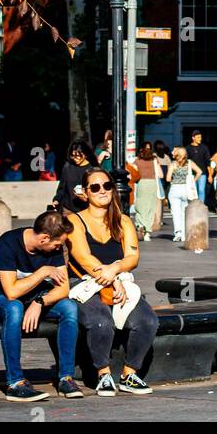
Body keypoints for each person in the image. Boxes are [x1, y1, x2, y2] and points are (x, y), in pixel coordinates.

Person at [0, 209, 82, 401]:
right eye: (57, 244)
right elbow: (11, 292)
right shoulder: (8, 243)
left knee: (69, 308)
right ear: (44, 239)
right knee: (14, 307)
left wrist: (39, 302)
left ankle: (66, 377)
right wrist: (42, 272)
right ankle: (15, 382)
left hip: (32, 296)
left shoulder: (53, 248)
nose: (60, 248)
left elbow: (63, 290)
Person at [67, 167, 159, 395]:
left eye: (107, 186)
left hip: (120, 280)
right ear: (85, 193)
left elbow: (132, 257)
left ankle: (130, 374)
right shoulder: (75, 221)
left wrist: (115, 270)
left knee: (148, 321)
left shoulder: (124, 220)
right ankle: (103, 374)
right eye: (95, 187)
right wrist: (110, 280)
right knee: (101, 322)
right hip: (86, 284)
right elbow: (83, 258)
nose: (102, 191)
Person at [166, 146, 204, 243]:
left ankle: (178, 233)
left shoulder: (173, 164)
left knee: (176, 213)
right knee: (184, 212)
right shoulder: (190, 163)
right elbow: (200, 172)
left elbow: (168, 179)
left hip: (175, 189)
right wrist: (193, 181)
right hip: (186, 189)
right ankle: (184, 234)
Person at [127, 143, 160, 240]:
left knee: (141, 206)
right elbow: (160, 174)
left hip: (142, 183)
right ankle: (147, 232)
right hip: (153, 183)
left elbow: (133, 173)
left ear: (141, 150)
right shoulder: (154, 160)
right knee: (151, 206)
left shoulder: (137, 161)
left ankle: (140, 225)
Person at [54, 139, 97, 213]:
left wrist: (87, 198)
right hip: (68, 209)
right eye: (72, 156)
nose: (75, 159)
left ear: (85, 154)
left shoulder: (93, 169)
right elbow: (62, 188)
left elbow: (96, 191)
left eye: (78, 156)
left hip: (87, 209)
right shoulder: (67, 167)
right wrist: (57, 199)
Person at [186, 131, 211, 211]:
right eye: (198, 137)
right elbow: (185, 161)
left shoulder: (204, 147)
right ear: (193, 138)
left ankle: (201, 207)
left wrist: (210, 175)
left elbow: (208, 162)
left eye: (201, 137)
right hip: (191, 174)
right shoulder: (188, 148)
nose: (200, 139)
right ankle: (193, 207)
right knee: (194, 190)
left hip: (202, 173)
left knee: (201, 190)